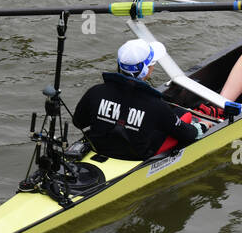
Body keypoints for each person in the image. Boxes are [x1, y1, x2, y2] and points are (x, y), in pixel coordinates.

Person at [73, 39, 203, 160]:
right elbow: (189, 135)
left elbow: (78, 122)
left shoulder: (96, 91)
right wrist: (200, 127)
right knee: (182, 114)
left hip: (99, 147)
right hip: (135, 157)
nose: (153, 67)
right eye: (152, 64)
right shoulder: (156, 105)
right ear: (146, 71)